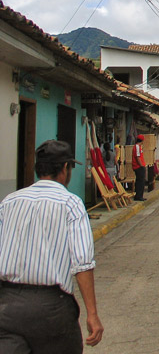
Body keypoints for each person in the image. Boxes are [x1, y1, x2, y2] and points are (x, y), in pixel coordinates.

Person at [0, 140, 103, 351]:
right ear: (65, 169)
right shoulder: (70, 204)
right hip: (52, 309)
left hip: (7, 307)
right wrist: (92, 314)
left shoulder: (9, 202)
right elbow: (82, 263)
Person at [132, 134, 147, 201]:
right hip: (138, 167)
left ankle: (138, 195)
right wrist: (142, 166)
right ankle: (139, 196)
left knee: (139, 181)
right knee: (141, 182)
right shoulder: (137, 147)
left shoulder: (138, 147)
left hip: (138, 167)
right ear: (142, 140)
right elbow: (138, 157)